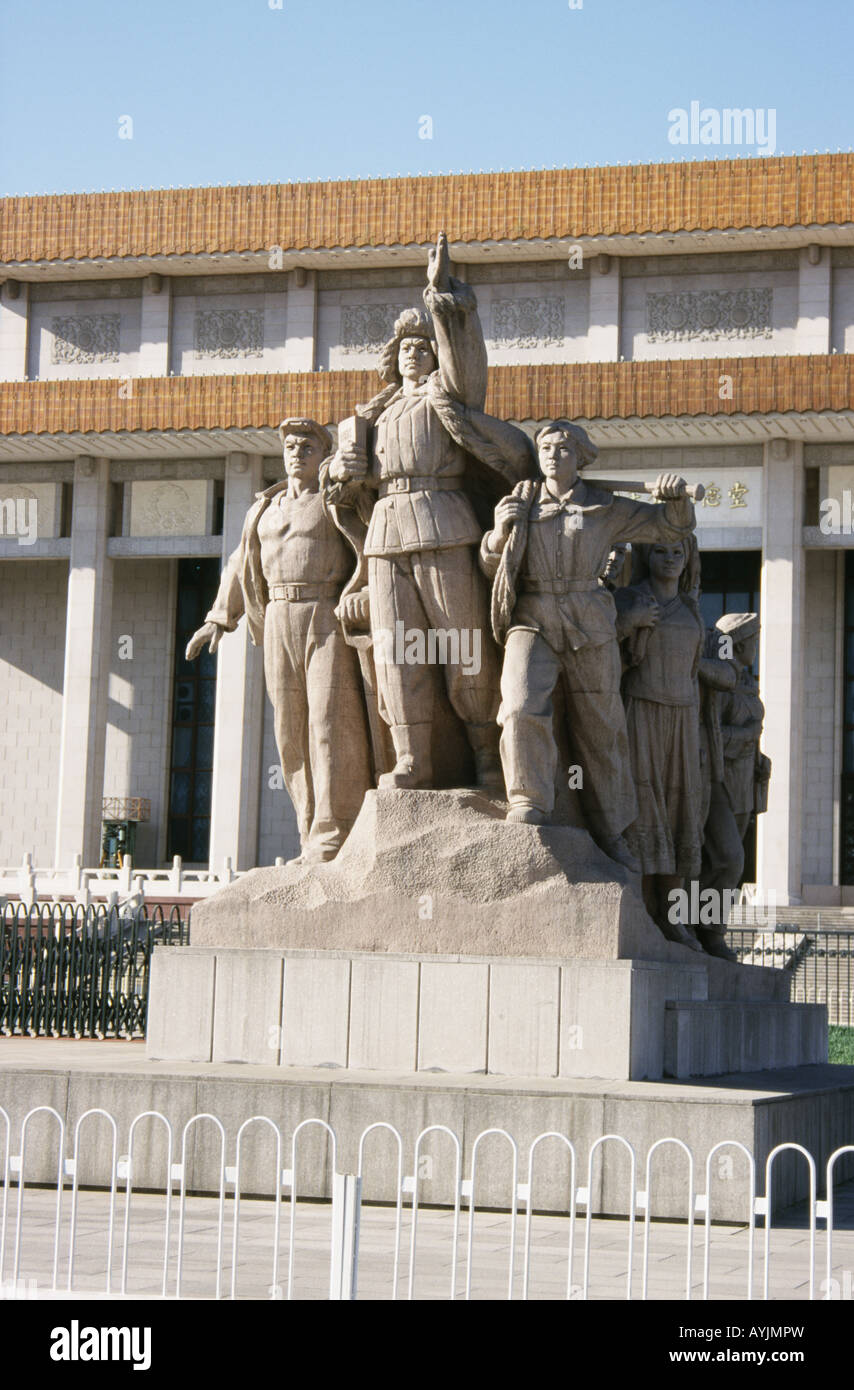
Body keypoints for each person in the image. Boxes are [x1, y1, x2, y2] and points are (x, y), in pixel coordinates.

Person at [326, 231, 534, 791]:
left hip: (443, 522)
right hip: (387, 535)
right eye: (405, 349)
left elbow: (466, 360)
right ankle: (411, 756)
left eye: (423, 347)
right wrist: (340, 472)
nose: (414, 355)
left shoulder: (449, 396)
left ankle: (485, 752)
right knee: (398, 651)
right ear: (391, 361)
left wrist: (439, 295)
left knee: (460, 640)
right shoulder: (374, 413)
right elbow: (341, 483)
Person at [480, 419, 696, 871]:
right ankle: (527, 800)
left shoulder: (605, 506)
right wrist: (500, 533)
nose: (552, 455)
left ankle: (612, 829)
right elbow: (490, 562)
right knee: (519, 706)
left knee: (602, 727)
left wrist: (674, 498)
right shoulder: (522, 501)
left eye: (562, 448)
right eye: (545, 448)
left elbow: (669, 530)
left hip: (590, 621)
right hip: (533, 616)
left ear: (581, 456)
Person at [185, 418, 372, 864]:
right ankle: (309, 830)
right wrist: (218, 618)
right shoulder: (263, 509)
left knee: (330, 722)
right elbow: (239, 562)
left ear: (322, 455)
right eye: (290, 445)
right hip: (276, 618)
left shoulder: (335, 500)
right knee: (290, 731)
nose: (296, 452)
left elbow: (367, 538)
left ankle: (336, 829)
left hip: (324, 612)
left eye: (307, 445)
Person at [617, 538, 706, 949]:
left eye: (677, 553)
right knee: (641, 809)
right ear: (646, 557)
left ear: (688, 559)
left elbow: (694, 677)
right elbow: (608, 661)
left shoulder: (690, 608)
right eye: (660, 552)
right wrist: (630, 623)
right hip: (642, 712)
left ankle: (673, 918)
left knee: (678, 814)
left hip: (683, 720)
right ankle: (638, 910)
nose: (669, 559)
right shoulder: (630, 598)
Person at [699, 612, 770, 957]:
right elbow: (708, 733)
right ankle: (708, 931)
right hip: (717, 781)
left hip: (744, 784)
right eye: (752, 640)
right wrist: (744, 737)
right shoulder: (719, 684)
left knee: (720, 863)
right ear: (738, 643)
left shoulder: (747, 682)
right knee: (729, 860)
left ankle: (709, 930)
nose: (756, 647)